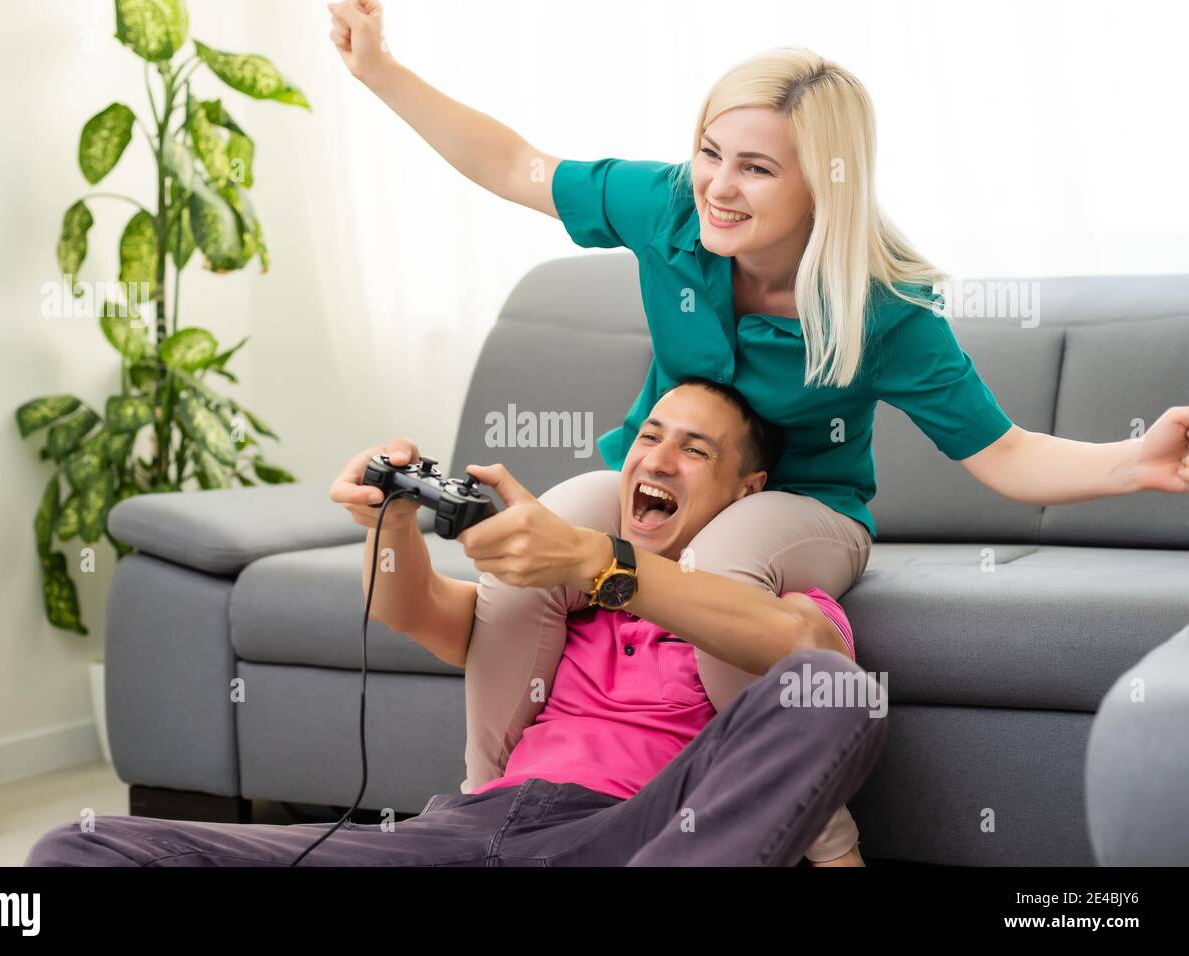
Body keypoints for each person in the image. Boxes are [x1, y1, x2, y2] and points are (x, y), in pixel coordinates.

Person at [323, 1, 1189, 859]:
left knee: (721, 565)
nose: (718, 186)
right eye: (710, 154)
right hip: (658, 474)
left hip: (806, 508)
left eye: (757, 169)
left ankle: (821, 834)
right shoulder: (667, 211)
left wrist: (1134, 461)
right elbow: (515, 164)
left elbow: (1003, 453)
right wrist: (381, 71)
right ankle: (487, 804)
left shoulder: (882, 311)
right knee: (539, 531)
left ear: (825, 183)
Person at [25, 379, 888, 866]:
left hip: (633, 838)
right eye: (650, 437)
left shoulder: (764, 608)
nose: (657, 458)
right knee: (80, 848)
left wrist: (614, 570)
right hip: (462, 834)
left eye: (694, 450)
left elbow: (816, 673)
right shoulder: (554, 606)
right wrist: (391, 522)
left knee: (832, 690)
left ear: (747, 494)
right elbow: (419, 611)